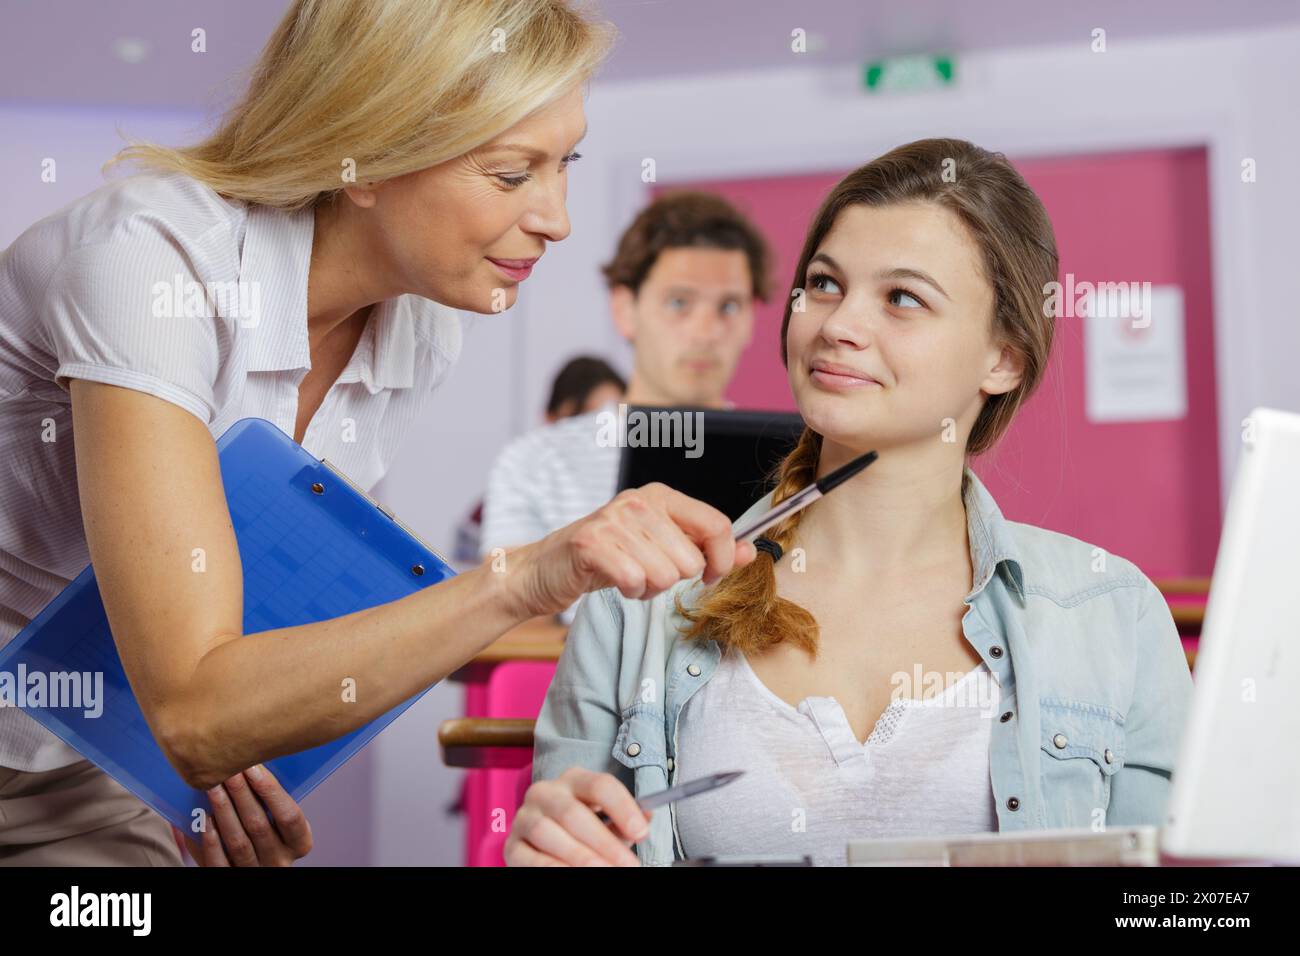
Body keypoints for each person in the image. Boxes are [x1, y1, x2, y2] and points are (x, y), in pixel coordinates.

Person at [0, 0, 755, 867]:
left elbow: (220, 665)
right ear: (363, 156)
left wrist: (221, 749)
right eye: (513, 175)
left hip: (86, 766)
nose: (558, 217)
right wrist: (527, 577)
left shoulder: (423, 322)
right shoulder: (152, 261)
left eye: (566, 164)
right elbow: (195, 707)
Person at [506, 138, 1194, 867]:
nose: (836, 325)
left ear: (1004, 358)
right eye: (825, 284)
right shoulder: (636, 608)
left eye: (902, 298)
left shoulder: (1115, 615)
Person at [479, 191, 772, 620]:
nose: (707, 331)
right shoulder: (536, 462)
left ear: (750, 320)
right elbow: (501, 618)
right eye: (679, 303)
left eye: (729, 306)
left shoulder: (785, 464)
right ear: (624, 309)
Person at [453, 356, 625, 566]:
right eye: (584, 417)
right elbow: (489, 572)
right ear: (549, 418)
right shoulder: (496, 502)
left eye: (611, 419)